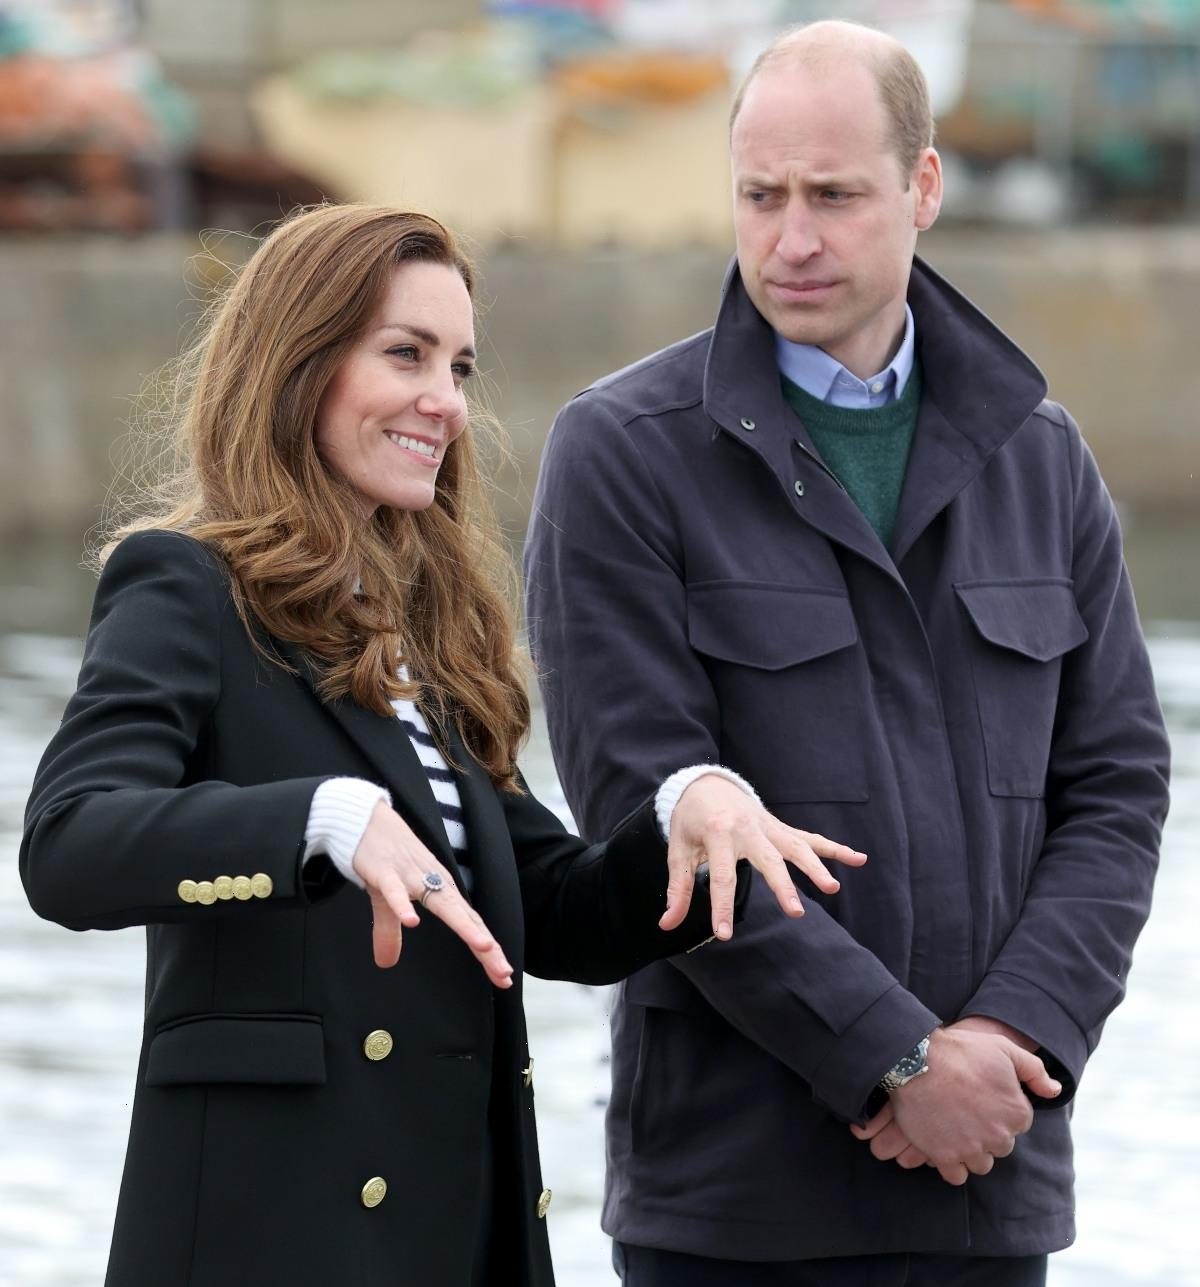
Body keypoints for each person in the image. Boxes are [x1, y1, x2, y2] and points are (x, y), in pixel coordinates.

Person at [19, 204, 867, 1287]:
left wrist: (682, 817)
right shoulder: (183, 583)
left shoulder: (420, 628)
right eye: (407, 355)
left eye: (459, 367)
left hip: (456, 1229)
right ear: (298, 365)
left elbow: (546, 908)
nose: (446, 403)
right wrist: (323, 820)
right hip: (271, 1239)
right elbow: (68, 846)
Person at [524, 20, 1170, 1287]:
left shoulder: (1041, 458)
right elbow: (646, 808)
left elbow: (1118, 793)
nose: (792, 238)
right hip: (735, 1202)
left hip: (989, 1178)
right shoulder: (623, 454)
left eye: (834, 195)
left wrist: (1009, 1039)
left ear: (923, 188)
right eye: (760, 196)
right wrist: (898, 1060)